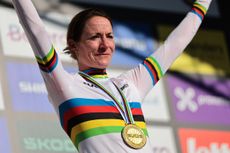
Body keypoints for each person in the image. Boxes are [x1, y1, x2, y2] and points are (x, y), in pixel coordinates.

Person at [11, 0, 212, 153]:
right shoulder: (64, 85)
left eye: (109, 36)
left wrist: (203, 2)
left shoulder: (131, 83)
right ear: (73, 45)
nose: (105, 45)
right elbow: (35, 29)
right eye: (95, 37)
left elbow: (176, 43)